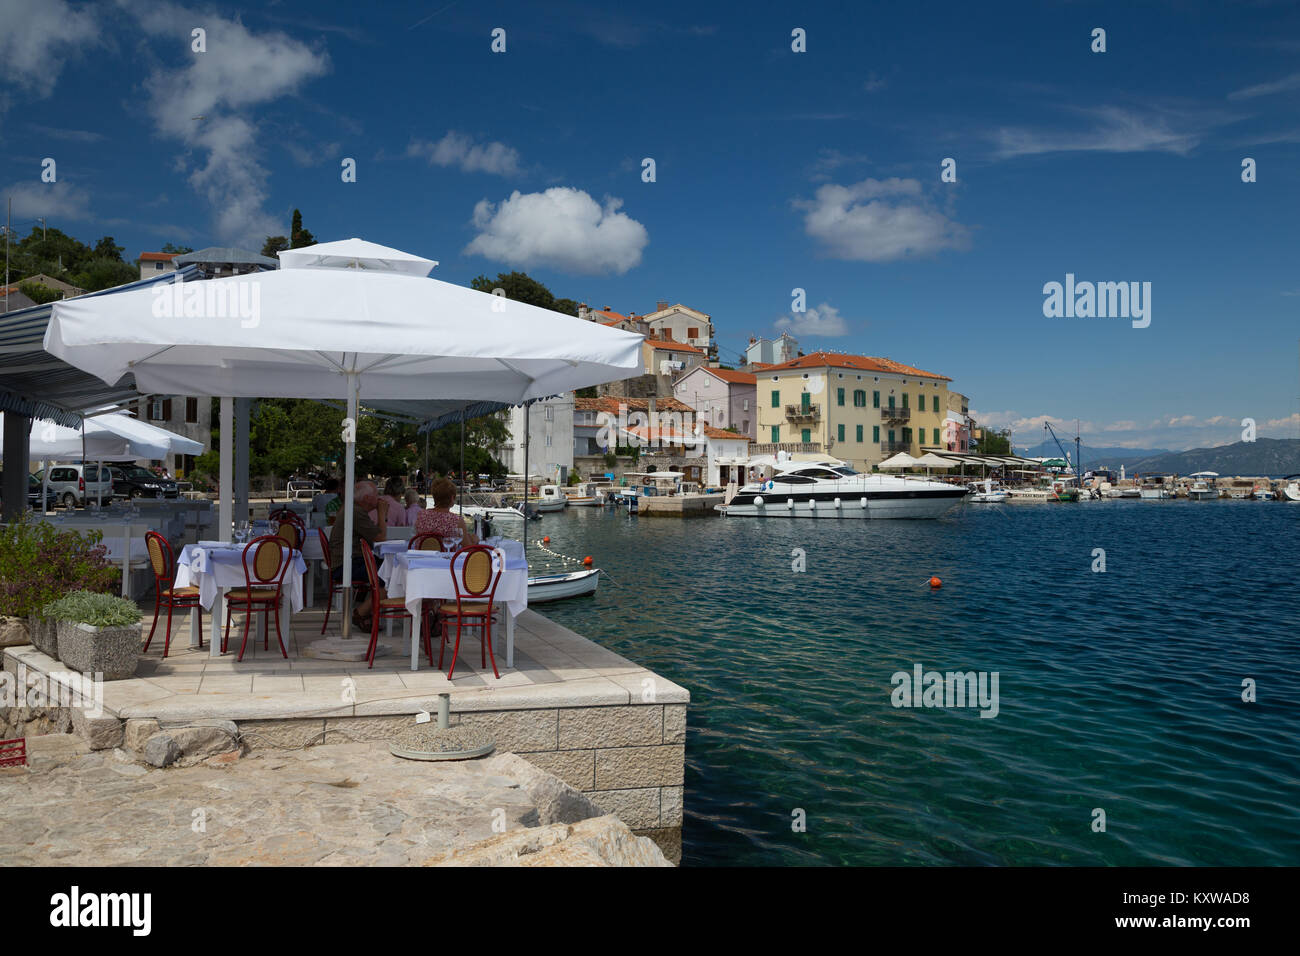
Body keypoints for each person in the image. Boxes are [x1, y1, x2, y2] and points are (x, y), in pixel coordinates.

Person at [329, 480, 387, 629]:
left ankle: (366, 610)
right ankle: (360, 613)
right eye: (376, 494)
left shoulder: (353, 509)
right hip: (346, 564)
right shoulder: (356, 512)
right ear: (367, 498)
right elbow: (380, 538)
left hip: (347, 560)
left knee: (387, 569)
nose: (379, 498)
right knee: (389, 574)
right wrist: (382, 514)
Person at [414, 477, 479, 548]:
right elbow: (467, 549)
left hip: (420, 557)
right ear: (452, 498)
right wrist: (475, 540)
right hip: (446, 558)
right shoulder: (456, 520)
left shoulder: (421, 514)